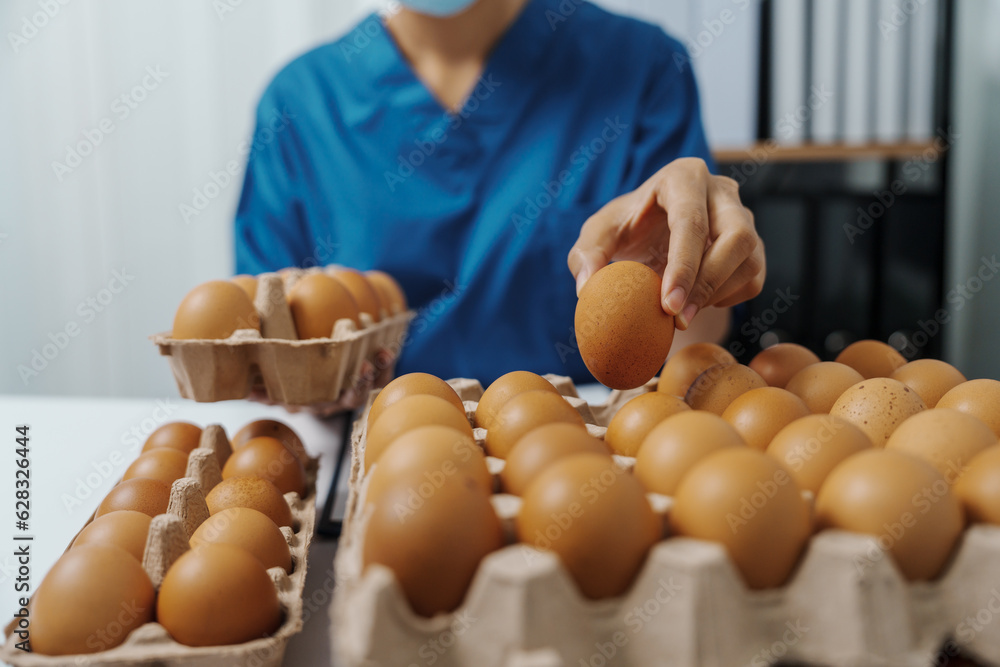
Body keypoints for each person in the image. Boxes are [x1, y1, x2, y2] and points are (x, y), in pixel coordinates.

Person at [235, 0, 765, 411]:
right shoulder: (299, 103)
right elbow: (274, 350)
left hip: (578, 457)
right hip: (382, 459)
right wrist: (311, 381)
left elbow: (687, 343)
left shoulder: (640, 68)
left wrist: (694, 263)